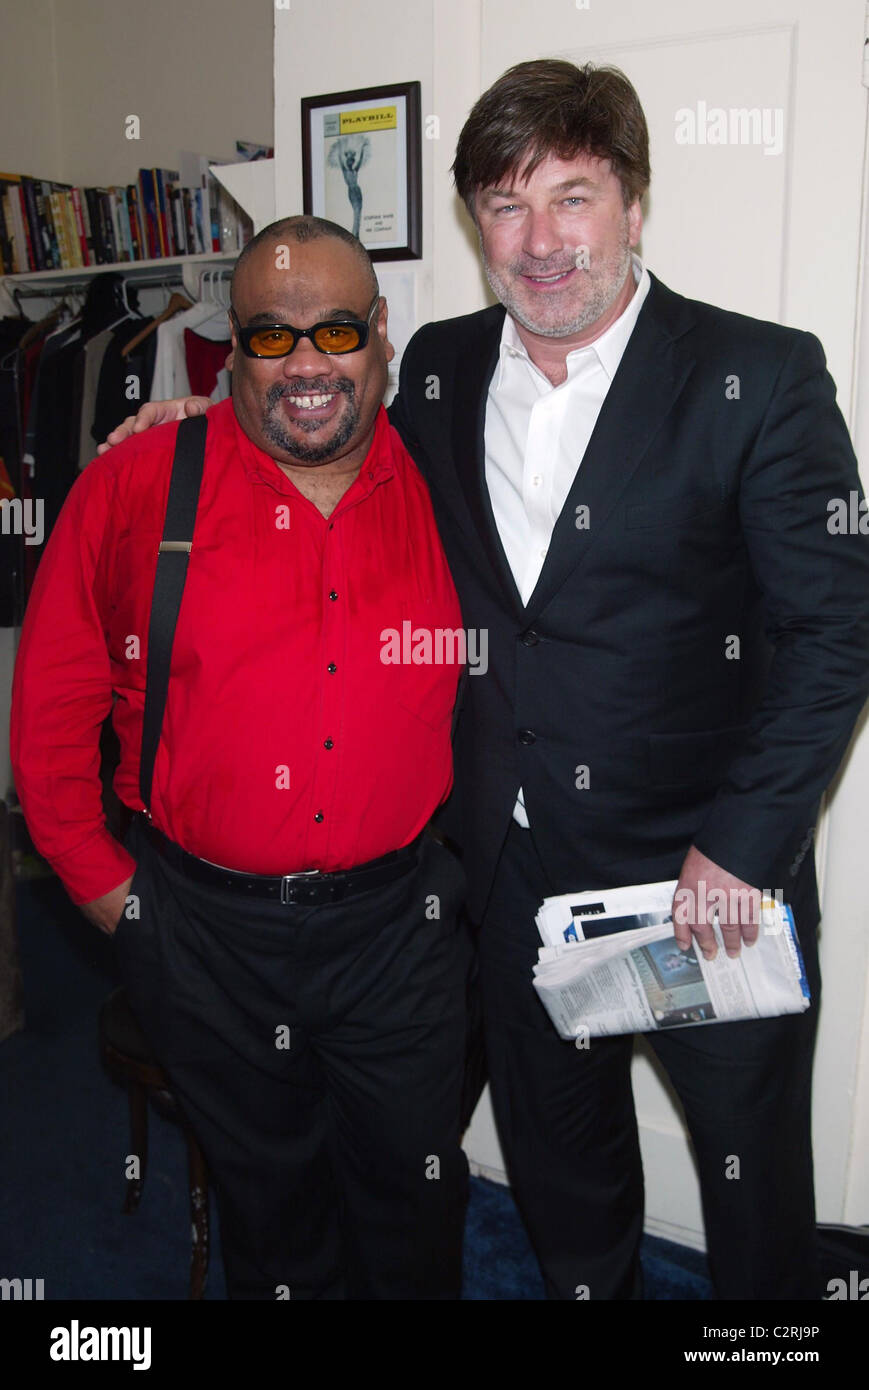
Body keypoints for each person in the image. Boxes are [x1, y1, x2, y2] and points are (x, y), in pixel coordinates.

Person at [99, 60, 869, 1301]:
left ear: (631, 206)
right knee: (566, 1187)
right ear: (474, 226)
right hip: (510, 889)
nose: (541, 241)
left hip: (702, 887)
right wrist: (187, 425)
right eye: (506, 206)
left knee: (751, 1212)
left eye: (572, 197)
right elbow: (307, 410)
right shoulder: (438, 371)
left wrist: (737, 849)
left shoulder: (759, 375)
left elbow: (834, 633)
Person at [10, 215, 472, 1300]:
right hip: (204, 935)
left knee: (415, 1199)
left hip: (399, 930)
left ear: (382, 334)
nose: (306, 364)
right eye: (271, 336)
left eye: (336, 331)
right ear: (234, 349)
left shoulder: (449, 481)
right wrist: (109, 892)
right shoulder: (135, 486)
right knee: (271, 1211)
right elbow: (51, 714)